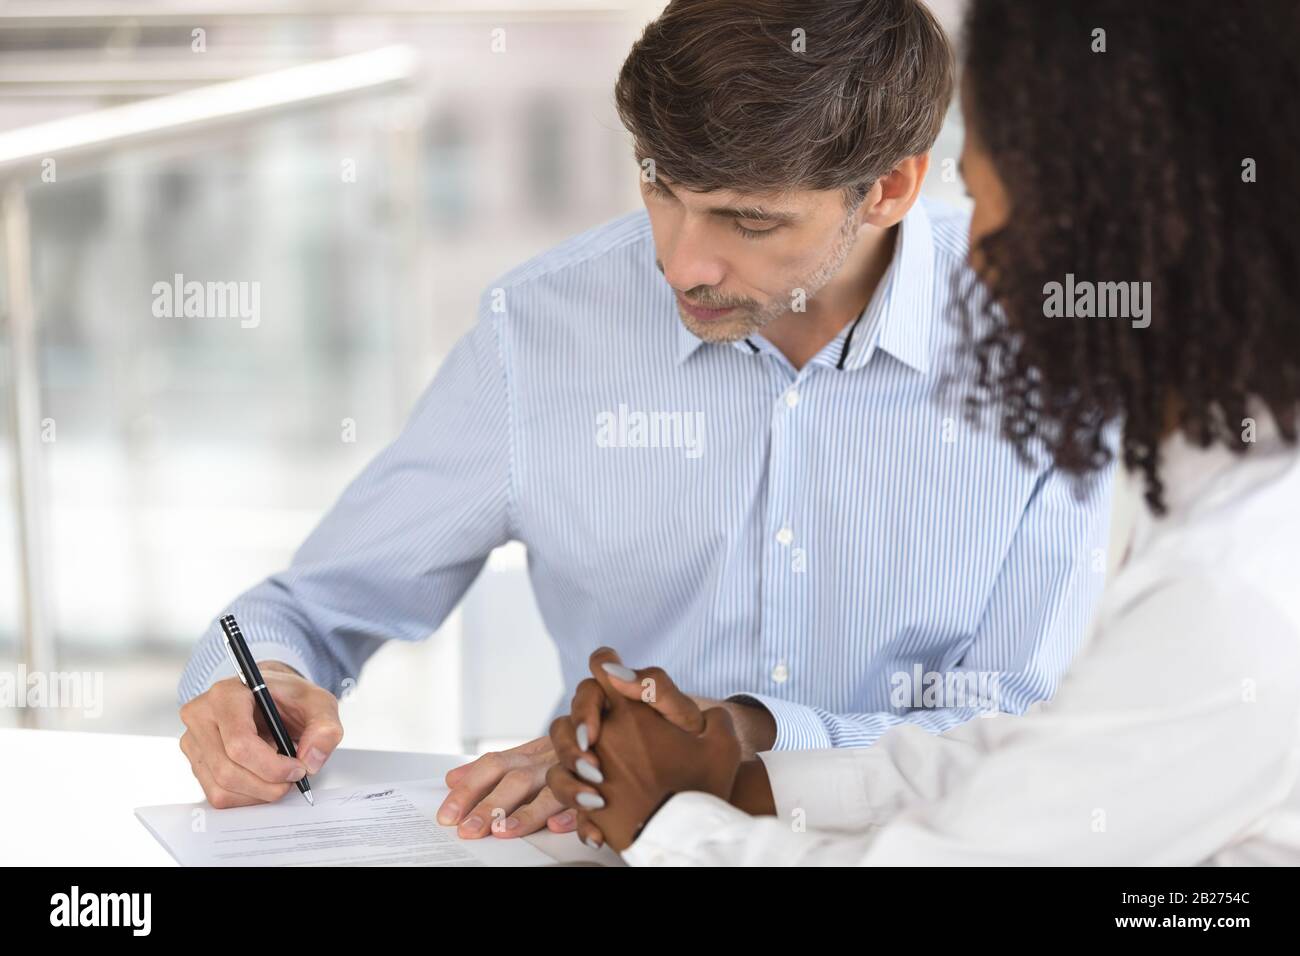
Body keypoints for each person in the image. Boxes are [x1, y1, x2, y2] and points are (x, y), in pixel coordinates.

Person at [176, 0, 1113, 841]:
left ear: (891, 189)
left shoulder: (1050, 348)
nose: (681, 263)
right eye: (661, 188)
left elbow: (1027, 720)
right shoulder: (541, 332)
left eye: (749, 221)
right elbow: (311, 607)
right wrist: (263, 684)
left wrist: (739, 747)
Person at [546, 0, 1300, 864]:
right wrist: (743, 779)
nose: (972, 257)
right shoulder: (1233, 488)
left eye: (983, 197)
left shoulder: (1234, 593)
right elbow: (1042, 759)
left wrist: (671, 825)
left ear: (1126, 223)